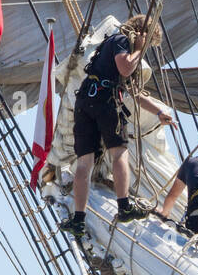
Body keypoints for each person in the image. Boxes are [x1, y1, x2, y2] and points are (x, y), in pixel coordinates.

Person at [60, 14, 178, 240]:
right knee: (119, 154)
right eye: (147, 44)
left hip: (85, 102)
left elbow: (131, 91)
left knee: (85, 163)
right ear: (142, 35)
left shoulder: (109, 47)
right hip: (105, 103)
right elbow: (125, 69)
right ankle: (124, 207)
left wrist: (159, 112)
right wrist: (138, 49)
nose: (144, 52)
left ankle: (78, 218)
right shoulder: (122, 41)